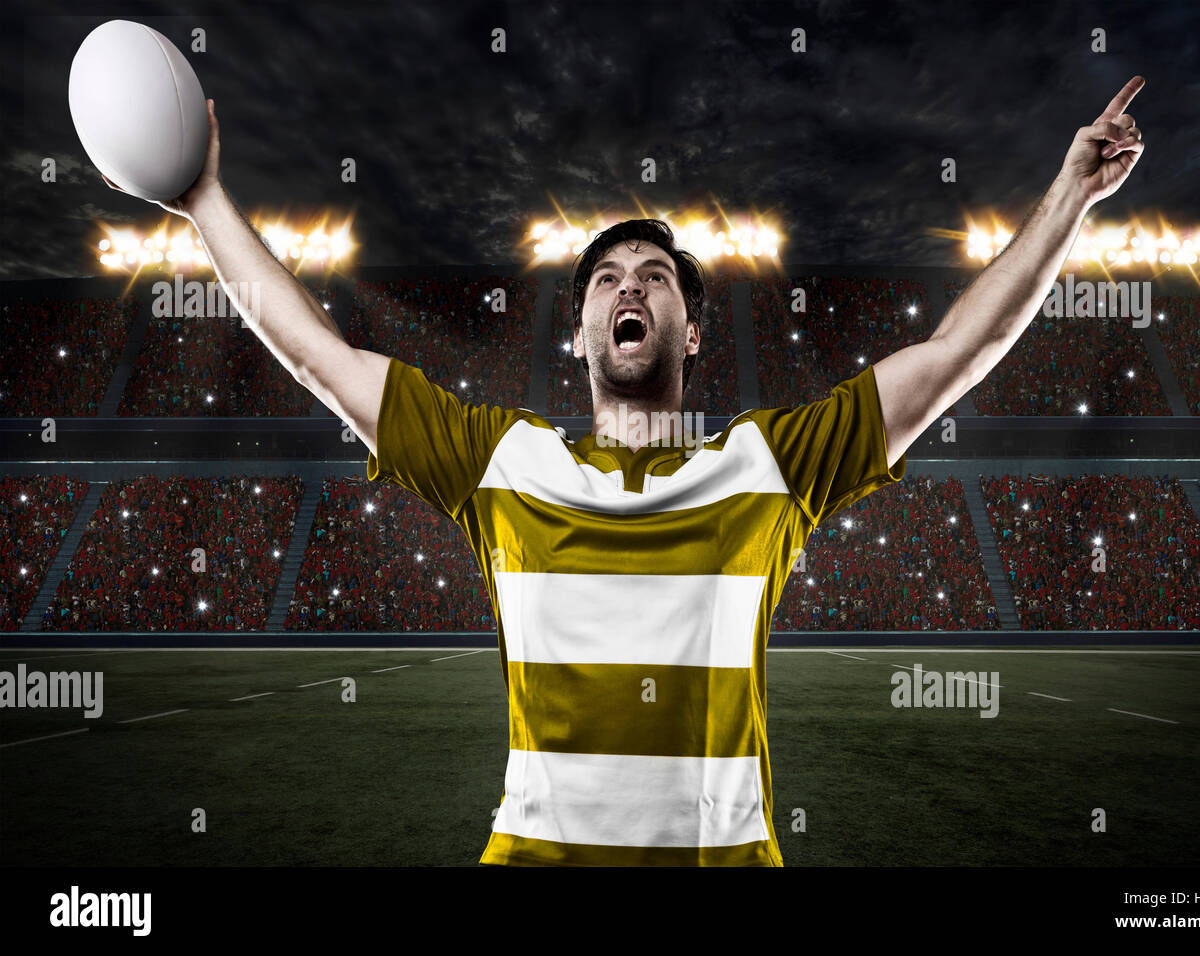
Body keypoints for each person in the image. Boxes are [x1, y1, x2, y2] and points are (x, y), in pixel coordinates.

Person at [103, 77, 1146, 864]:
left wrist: (1068, 200)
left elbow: (950, 353)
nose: (625, 287)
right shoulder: (496, 463)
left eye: (653, 276)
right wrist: (203, 202)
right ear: (583, 333)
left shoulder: (768, 465)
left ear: (692, 329)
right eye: (604, 279)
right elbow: (316, 354)